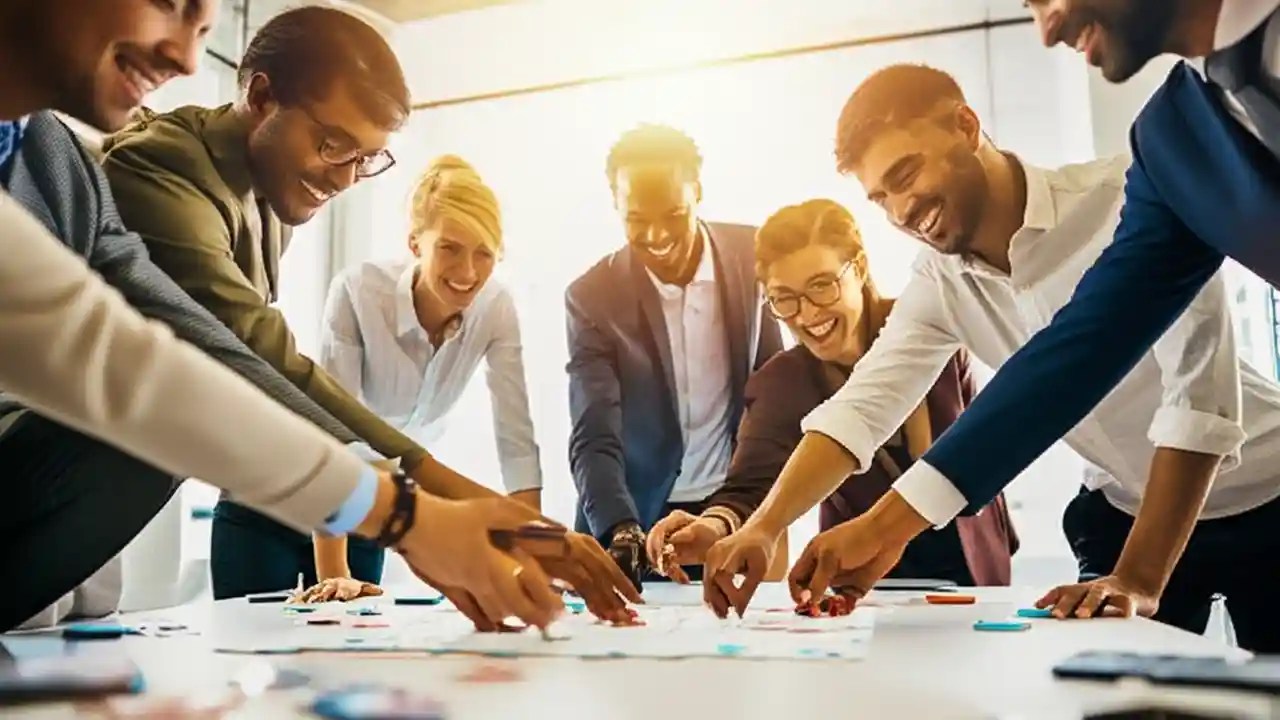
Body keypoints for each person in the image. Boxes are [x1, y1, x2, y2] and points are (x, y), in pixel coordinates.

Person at [0, 0, 576, 633]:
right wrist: (416, 510)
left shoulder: (59, 158)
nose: (188, 58)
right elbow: (225, 360)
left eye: (366, 159)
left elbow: (148, 362)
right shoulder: (156, 167)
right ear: (262, 98)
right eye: (168, 5)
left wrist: (417, 514)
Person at [702, 64, 1280, 654]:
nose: (900, 211)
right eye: (880, 199)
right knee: (1113, 692)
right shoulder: (938, 281)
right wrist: (765, 526)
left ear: (965, 124)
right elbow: (864, 407)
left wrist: (1138, 578)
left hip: (1268, 492)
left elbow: (1200, 400)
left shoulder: (1127, 197)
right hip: (1123, 512)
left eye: (906, 174)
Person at [644, 199, 1018, 589]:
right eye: (784, 298)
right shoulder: (782, 382)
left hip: (973, 559)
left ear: (857, 268)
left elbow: (979, 442)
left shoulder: (930, 326)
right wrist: (715, 523)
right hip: (859, 573)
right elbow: (751, 485)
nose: (806, 315)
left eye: (821, 286)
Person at [566, 124, 784, 589]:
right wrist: (618, 529)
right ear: (615, 203)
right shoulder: (592, 296)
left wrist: (760, 509)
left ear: (698, 191)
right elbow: (594, 430)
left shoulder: (755, 257)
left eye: (674, 213)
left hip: (727, 511)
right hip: (631, 515)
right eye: (636, 218)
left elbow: (772, 394)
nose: (656, 234)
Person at [321, 155, 543, 511]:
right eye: (449, 248)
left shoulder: (496, 307)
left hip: (375, 500)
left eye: (484, 252)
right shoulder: (358, 291)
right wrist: (333, 565)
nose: (468, 271)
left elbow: (515, 437)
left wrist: (537, 541)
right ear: (415, 244)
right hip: (291, 485)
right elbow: (337, 436)